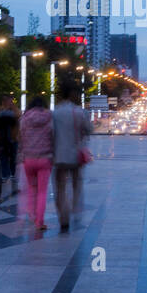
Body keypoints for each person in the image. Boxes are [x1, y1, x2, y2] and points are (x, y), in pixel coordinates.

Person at [52, 86, 92, 231]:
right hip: (76, 154)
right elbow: (89, 130)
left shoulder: (55, 112)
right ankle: (75, 207)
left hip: (59, 155)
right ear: (73, 95)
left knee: (60, 187)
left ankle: (64, 217)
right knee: (76, 184)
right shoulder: (80, 112)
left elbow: (51, 133)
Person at [17, 97, 54, 231]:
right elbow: (53, 136)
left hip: (29, 159)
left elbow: (20, 138)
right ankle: (40, 221)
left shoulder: (24, 119)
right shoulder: (50, 118)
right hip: (45, 159)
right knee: (42, 192)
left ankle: (32, 215)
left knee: (32, 189)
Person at [0, 95, 19, 199]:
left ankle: (10, 183)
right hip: (3, 141)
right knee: (3, 163)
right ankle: (1, 185)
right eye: (8, 100)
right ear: (4, 101)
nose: (9, 102)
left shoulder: (14, 112)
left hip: (11, 140)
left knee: (12, 162)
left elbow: (18, 118)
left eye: (11, 101)